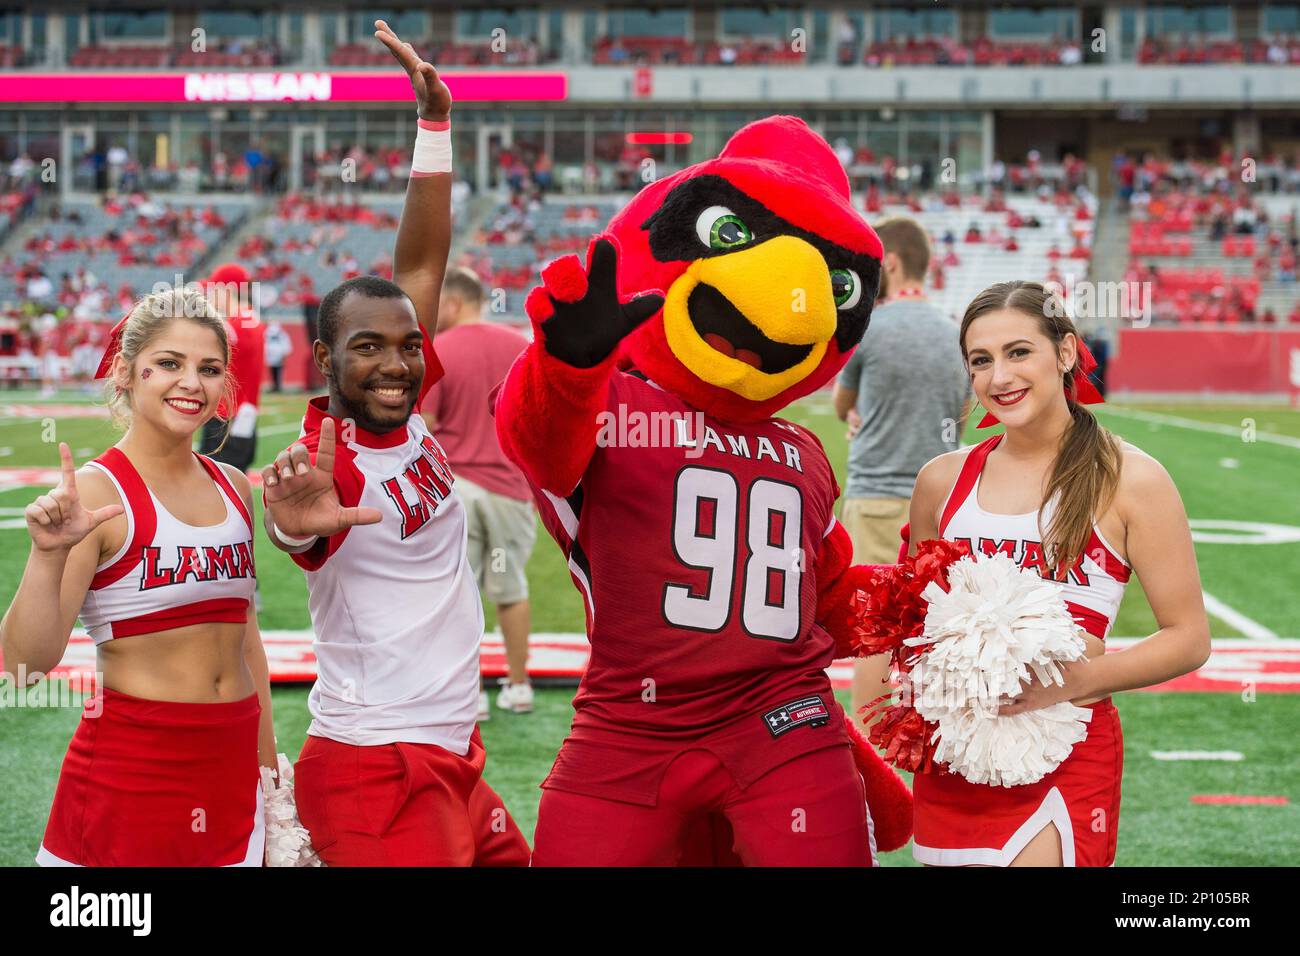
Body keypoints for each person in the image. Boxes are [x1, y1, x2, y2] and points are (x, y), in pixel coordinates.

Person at [258, 19, 529, 867]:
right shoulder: (328, 449)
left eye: (407, 345)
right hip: (378, 766)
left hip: (452, 750)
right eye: (366, 348)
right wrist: (297, 525)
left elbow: (420, 266)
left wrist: (435, 124)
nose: (396, 362)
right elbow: (301, 522)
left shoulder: (406, 412)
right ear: (326, 360)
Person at [905, 280, 1210, 866]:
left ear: (1066, 353)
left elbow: (1188, 638)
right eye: (981, 361)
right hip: (956, 753)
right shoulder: (940, 481)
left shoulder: (1131, 480)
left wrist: (1065, 682)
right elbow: (910, 617)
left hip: (1064, 750)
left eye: (1019, 352)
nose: (1000, 377)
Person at [1, 288, 275, 866]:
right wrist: (48, 555)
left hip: (231, 775)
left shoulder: (235, 486)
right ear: (126, 372)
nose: (191, 384)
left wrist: (270, 772)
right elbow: (24, 667)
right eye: (170, 364)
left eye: (209, 369)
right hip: (132, 779)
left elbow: (247, 640)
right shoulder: (101, 493)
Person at [832, 215, 971, 729]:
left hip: (875, 495)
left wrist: (856, 416)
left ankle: (872, 743)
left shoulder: (869, 328)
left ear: (888, 263)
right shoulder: (955, 332)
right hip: (943, 499)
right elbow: (963, 408)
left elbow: (842, 403)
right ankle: (937, 736)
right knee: (933, 625)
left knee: (876, 628)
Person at [419, 267, 536, 717]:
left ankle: (470, 690)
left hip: (457, 488)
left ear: (452, 302)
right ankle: (519, 684)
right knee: (510, 585)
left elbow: (426, 424)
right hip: (509, 487)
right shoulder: (517, 345)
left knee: (458, 592)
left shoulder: (440, 350)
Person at [198, 262, 266, 473]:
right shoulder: (251, 319)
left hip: (225, 418)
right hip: (243, 415)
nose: (209, 295)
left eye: (213, 289)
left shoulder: (235, 325)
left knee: (215, 491)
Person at [264, 320, 292, 393]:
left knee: (278, 371)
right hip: (272, 356)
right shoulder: (268, 334)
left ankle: (278, 386)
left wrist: (284, 353)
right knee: (273, 372)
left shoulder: (282, 335)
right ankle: (274, 386)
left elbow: (286, 344)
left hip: (278, 356)